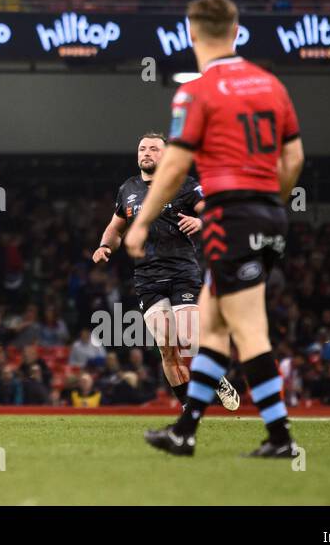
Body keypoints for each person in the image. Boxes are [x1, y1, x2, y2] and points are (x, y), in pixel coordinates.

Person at [127, 0, 304, 459]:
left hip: (233, 219)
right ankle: (185, 431)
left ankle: (281, 438)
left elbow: (175, 166)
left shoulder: (197, 91)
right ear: (236, 29)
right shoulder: (271, 85)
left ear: (191, 33)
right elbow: (295, 159)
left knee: (247, 331)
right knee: (214, 326)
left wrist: (141, 222)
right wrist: (270, 202)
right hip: (269, 217)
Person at [93, 133, 240, 412]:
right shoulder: (128, 188)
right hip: (147, 278)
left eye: (153, 148)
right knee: (167, 348)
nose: (146, 152)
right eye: (142, 148)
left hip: (181, 271)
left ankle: (217, 378)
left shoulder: (183, 184)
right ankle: (189, 408)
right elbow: (115, 228)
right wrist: (104, 246)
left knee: (188, 338)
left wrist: (201, 221)